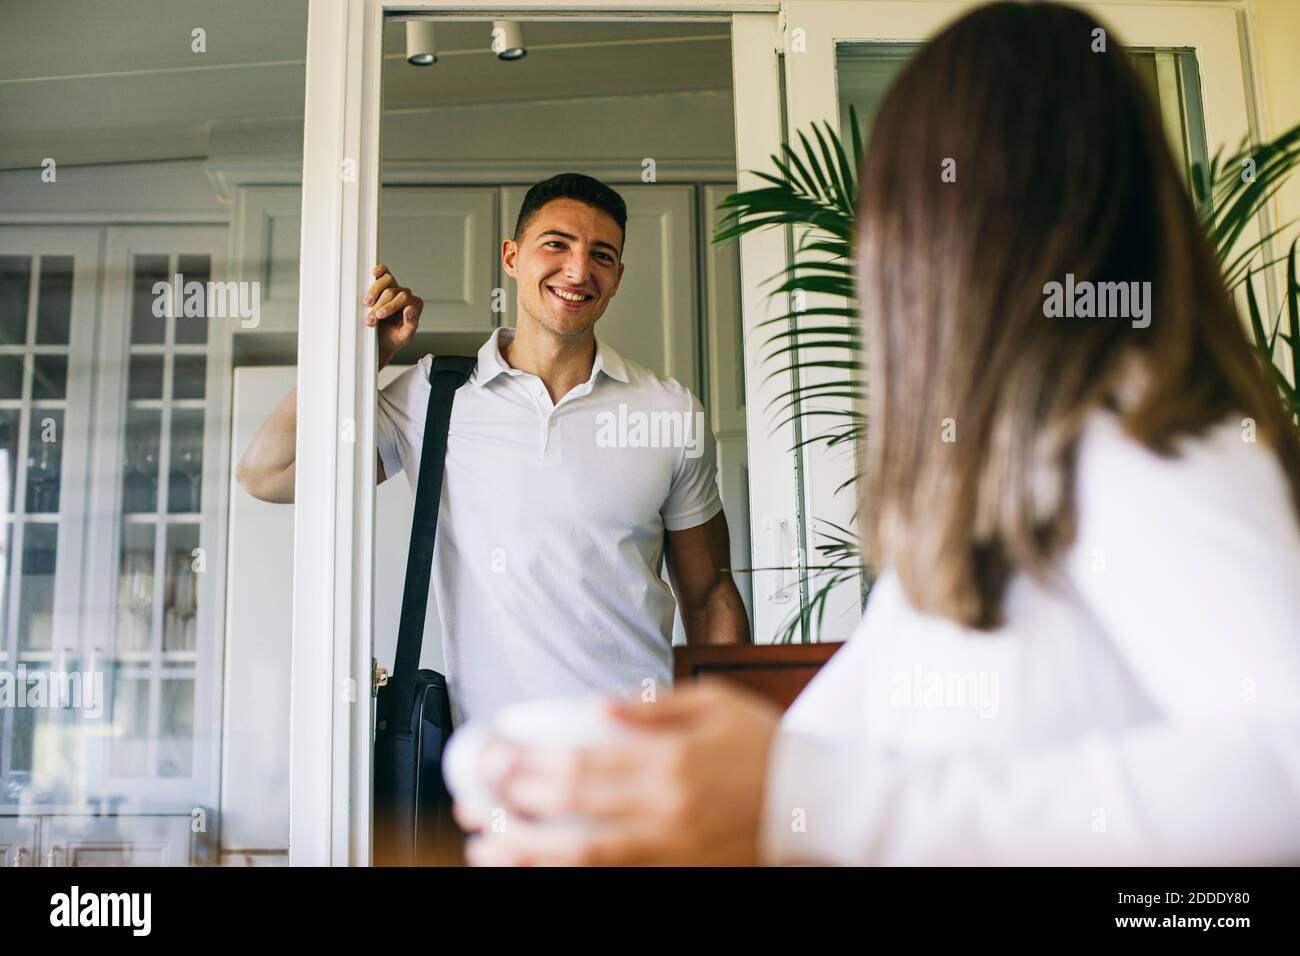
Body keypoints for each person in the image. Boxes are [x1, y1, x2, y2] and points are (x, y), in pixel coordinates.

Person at [453, 1, 1300, 865]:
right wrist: (656, 787)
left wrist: (804, 798)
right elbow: (841, 749)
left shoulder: (1145, 432)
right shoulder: (1007, 473)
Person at [236, 172, 750, 726]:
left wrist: (727, 741)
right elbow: (268, 473)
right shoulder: (436, 395)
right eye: (556, 244)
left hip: (642, 761)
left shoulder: (668, 412)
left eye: (601, 255)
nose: (579, 271)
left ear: (618, 276)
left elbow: (710, 595)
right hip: (496, 774)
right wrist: (364, 358)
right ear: (511, 256)